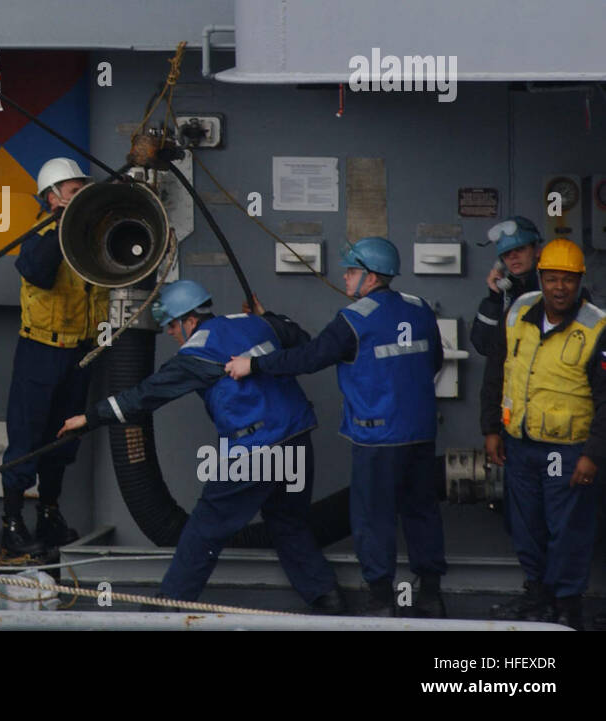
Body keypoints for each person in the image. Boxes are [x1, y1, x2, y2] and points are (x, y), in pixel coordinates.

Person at [59, 280, 346, 613]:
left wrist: (90, 418)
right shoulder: (255, 322)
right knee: (287, 521)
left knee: (203, 529)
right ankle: (328, 597)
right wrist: (267, 316)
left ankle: (167, 610)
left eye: (171, 324)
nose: (170, 332)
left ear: (190, 320)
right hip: (297, 438)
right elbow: (300, 340)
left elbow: (144, 396)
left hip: (255, 449)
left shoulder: (197, 353)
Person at [225, 237, 447, 618]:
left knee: (373, 517)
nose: (345, 277)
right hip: (421, 432)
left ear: (372, 277)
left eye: (351, 271)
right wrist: (272, 317)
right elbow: (435, 361)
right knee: (421, 511)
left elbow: (311, 357)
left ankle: (381, 600)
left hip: (377, 437)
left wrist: (253, 365)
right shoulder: (419, 308)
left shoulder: (354, 319)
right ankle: (431, 595)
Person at [480, 238, 606, 629]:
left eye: (567, 280)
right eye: (551, 279)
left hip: (568, 451)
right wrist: (491, 429)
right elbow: (496, 369)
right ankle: (537, 597)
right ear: (540, 278)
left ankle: (567, 605)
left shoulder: (596, 327)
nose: (559, 287)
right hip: (520, 444)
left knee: (567, 530)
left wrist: (593, 455)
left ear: (580, 281)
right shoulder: (519, 311)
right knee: (525, 525)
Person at [0, 158, 107, 557]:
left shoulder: (92, 237)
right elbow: (38, 271)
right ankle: (11, 525)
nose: (83, 198)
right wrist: (62, 224)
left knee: (62, 440)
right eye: (75, 192)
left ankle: (49, 513)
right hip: (40, 352)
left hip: (80, 353)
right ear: (52, 197)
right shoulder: (40, 235)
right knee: (26, 439)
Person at [470, 216, 542, 357]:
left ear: (537, 250)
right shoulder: (505, 292)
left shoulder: (552, 287)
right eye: (507, 253)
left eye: (520, 249)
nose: (513, 256)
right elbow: (483, 345)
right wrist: (495, 298)